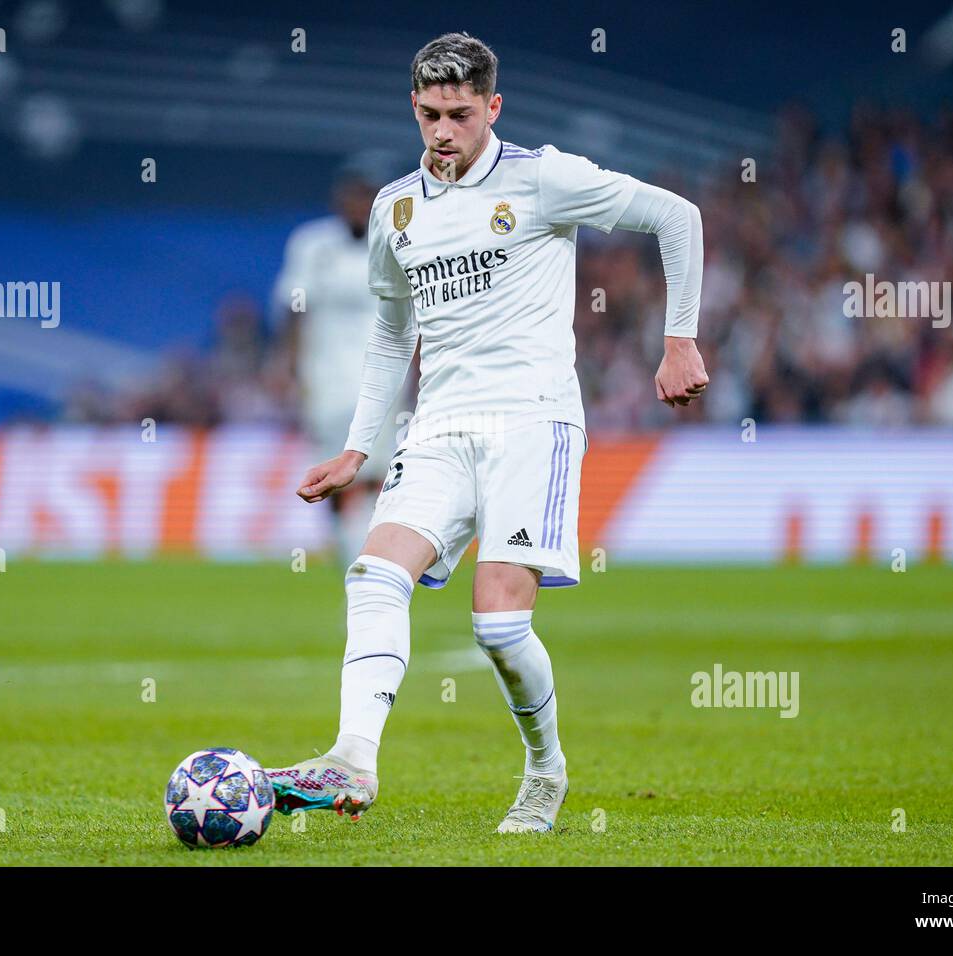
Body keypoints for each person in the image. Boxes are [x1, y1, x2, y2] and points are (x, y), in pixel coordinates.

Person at [267, 31, 707, 833]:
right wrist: (359, 449)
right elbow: (392, 336)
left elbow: (677, 216)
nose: (443, 132)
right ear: (414, 107)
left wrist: (678, 339)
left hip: (532, 420)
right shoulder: (395, 209)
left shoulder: (544, 180)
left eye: (460, 114)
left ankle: (546, 770)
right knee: (372, 575)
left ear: (492, 107)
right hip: (436, 426)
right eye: (430, 114)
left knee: (499, 625)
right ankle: (351, 758)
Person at [271, 155, 407, 562]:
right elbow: (294, 307)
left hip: (383, 373)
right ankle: (348, 543)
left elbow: (414, 313)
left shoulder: (399, 242)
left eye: (367, 195)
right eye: (353, 193)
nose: (358, 203)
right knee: (331, 468)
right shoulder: (312, 244)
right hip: (325, 378)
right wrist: (290, 365)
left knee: (377, 466)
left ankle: (369, 552)